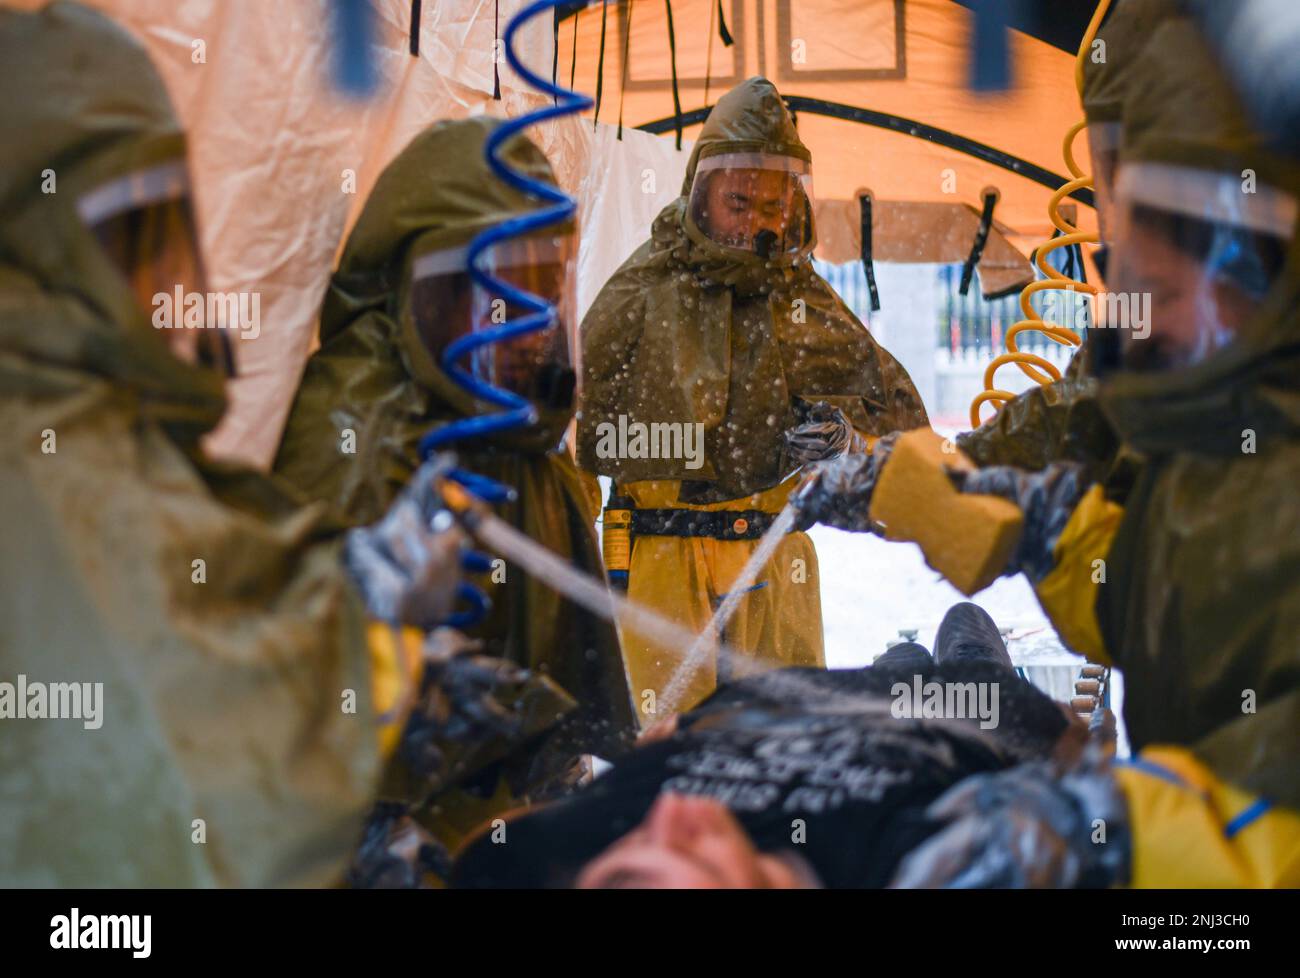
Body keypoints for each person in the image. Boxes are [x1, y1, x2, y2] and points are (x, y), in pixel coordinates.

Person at [801, 17, 1300, 888]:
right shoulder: (1196, 402)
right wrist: (1052, 534)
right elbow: (1182, 611)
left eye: (1206, 243)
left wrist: (1143, 837)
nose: (1150, 308)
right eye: (1137, 249)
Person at [0, 1, 467, 886]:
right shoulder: (41, 448)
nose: (156, 271)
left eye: (158, 223)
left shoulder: (109, 431)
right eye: (123, 229)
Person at [273, 118, 637, 768]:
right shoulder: (349, 431)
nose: (525, 323)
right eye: (498, 287)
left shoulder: (526, 429)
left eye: (542, 285)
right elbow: (292, 705)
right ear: (423, 282)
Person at [577, 77, 928, 721]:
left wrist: (846, 442)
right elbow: (583, 439)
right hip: (659, 565)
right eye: (739, 201)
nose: (756, 223)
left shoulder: (805, 299)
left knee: (781, 765)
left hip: (777, 564)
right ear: (702, 193)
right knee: (669, 773)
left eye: (772, 205)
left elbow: (905, 431)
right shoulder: (641, 290)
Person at [451, 602, 1085, 888]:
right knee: (970, 653)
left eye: (620, 875)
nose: (669, 814)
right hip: (967, 711)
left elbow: (490, 848)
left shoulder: (550, 860)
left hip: (775, 700)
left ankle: (906, 656)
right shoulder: (919, 863)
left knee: (903, 658)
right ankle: (957, 658)